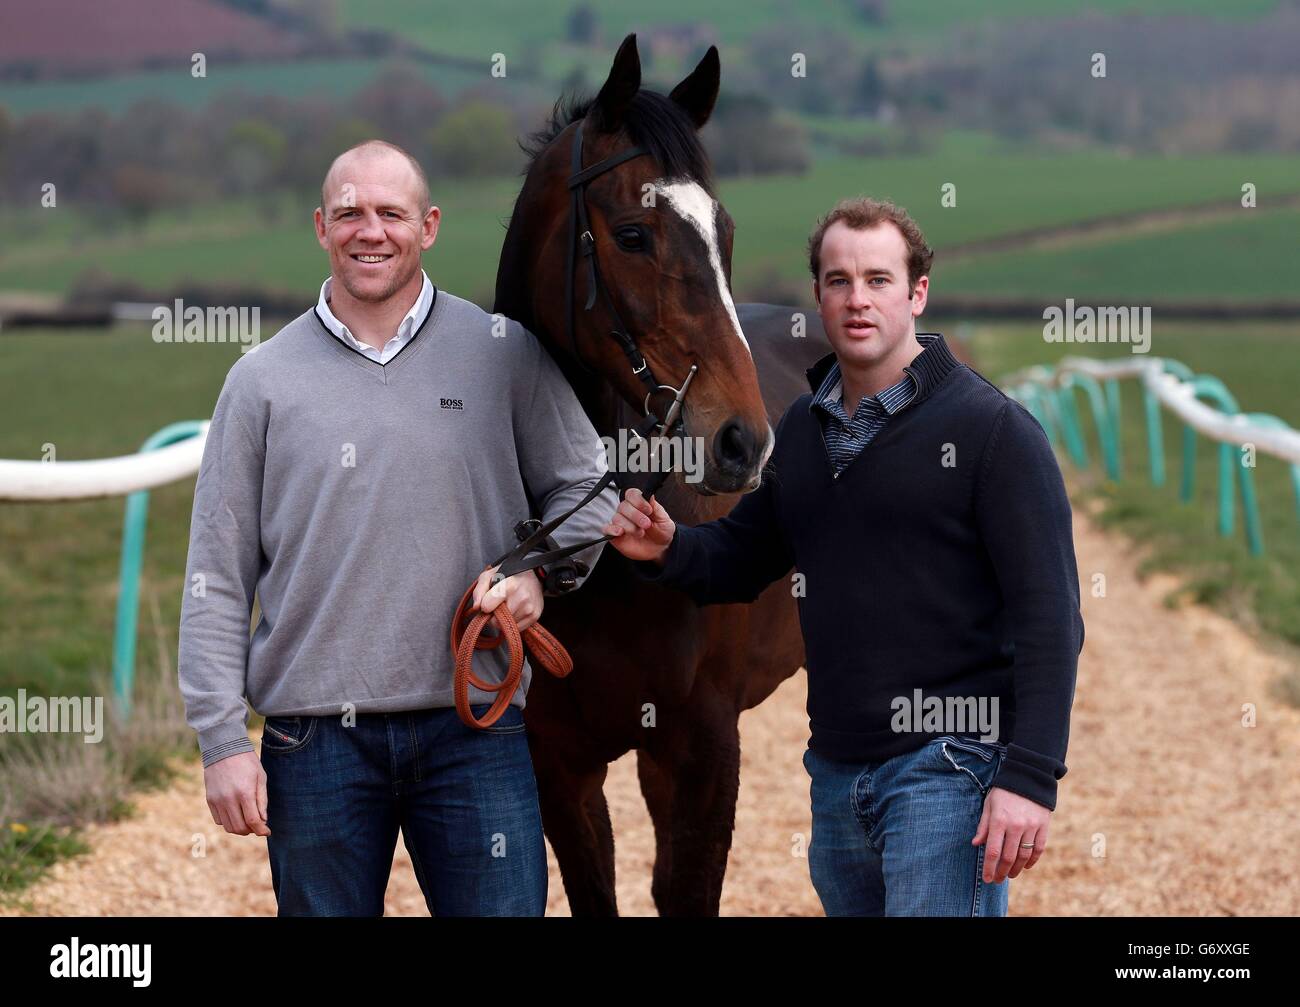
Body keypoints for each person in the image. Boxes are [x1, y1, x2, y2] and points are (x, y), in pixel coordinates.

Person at [602, 196, 1085, 917]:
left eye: (879, 280)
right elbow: (742, 554)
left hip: (949, 769)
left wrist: (1031, 778)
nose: (858, 299)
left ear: (918, 292)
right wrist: (668, 546)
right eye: (838, 281)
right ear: (819, 295)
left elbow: (1051, 620)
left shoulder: (994, 433)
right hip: (837, 775)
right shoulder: (804, 427)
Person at [177, 139, 617, 916]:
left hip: (472, 728)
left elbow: (587, 487)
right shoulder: (260, 381)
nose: (369, 230)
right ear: (321, 226)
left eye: (391, 212)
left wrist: (537, 576)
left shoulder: (501, 354)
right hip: (313, 744)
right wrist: (221, 740)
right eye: (349, 213)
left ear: (430, 225)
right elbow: (216, 574)